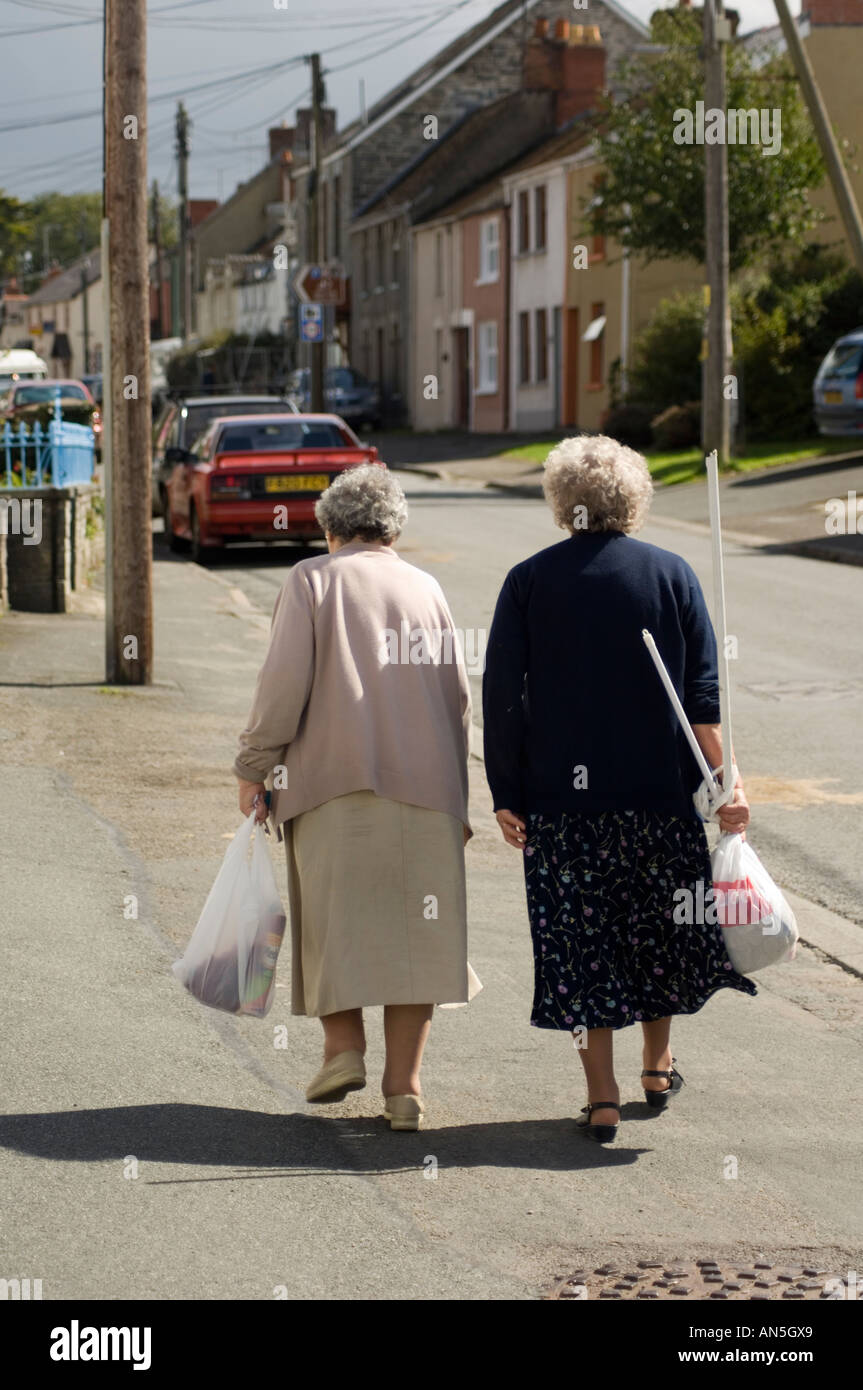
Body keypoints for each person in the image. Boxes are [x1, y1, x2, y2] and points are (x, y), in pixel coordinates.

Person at [482, 435, 755, 1144]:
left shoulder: (529, 580)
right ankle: (656, 1065)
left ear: (558, 501)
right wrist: (725, 787)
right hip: (658, 796)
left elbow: (502, 695)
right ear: (632, 498)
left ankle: (600, 1095)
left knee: (580, 946)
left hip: (561, 804)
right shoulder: (670, 574)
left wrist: (504, 790)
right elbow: (700, 698)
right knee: (658, 934)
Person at [233, 464, 479, 1131]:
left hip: (331, 785)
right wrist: (458, 799)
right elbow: (458, 699)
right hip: (427, 790)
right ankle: (404, 1090)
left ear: (329, 525)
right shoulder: (427, 587)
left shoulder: (312, 579)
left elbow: (284, 684)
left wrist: (254, 766)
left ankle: (343, 1049)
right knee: (417, 943)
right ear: (392, 525)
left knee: (331, 924)